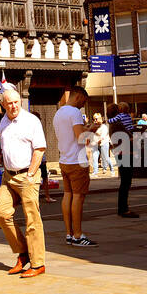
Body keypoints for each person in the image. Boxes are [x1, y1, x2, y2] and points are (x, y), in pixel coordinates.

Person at [0, 85, 47, 278]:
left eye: (16, 102)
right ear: (3, 105)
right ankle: (23, 252)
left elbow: (39, 149)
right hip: (8, 176)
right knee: (1, 213)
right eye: (9, 103)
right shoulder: (3, 122)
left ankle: (38, 263)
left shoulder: (31, 121)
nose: (14, 106)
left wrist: (31, 174)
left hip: (27, 174)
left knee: (32, 219)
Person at [54, 87, 95, 247]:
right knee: (78, 196)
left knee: (67, 195)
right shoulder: (74, 113)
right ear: (78, 96)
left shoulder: (59, 112)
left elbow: (71, 134)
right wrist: (91, 130)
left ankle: (69, 234)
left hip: (64, 159)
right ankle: (78, 235)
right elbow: (80, 137)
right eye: (83, 101)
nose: (82, 105)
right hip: (77, 161)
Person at [107, 102, 139, 218]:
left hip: (119, 153)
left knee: (124, 182)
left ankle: (123, 208)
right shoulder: (118, 124)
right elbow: (129, 137)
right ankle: (123, 209)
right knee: (126, 182)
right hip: (125, 154)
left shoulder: (112, 124)